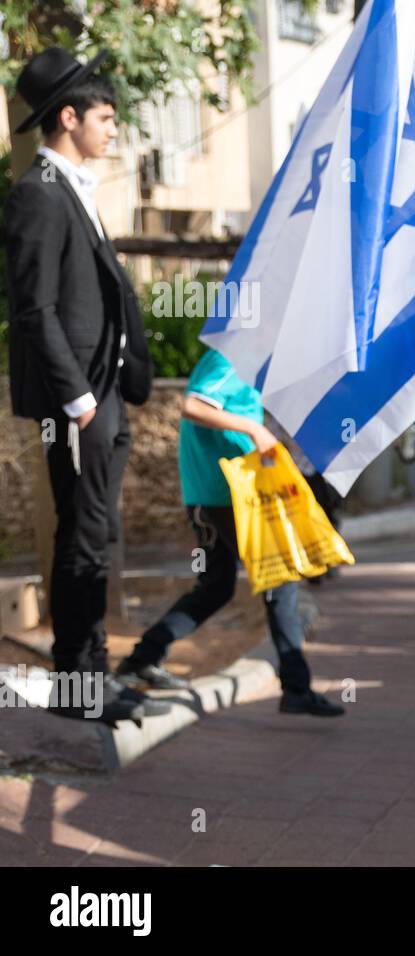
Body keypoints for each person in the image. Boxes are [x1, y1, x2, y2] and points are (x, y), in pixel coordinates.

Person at [5, 48, 163, 725]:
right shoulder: (38, 194)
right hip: (78, 405)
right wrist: (80, 400)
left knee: (95, 537)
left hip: (104, 395)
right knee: (81, 540)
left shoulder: (75, 186)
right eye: (105, 117)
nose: (114, 130)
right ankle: (79, 688)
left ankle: (93, 677)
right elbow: (34, 309)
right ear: (67, 118)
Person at [116, 349, 345, 718]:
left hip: (218, 494)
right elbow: (194, 406)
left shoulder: (245, 360)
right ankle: (296, 687)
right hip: (225, 495)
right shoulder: (233, 358)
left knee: (217, 586)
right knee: (280, 580)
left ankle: (142, 658)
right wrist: (254, 429)